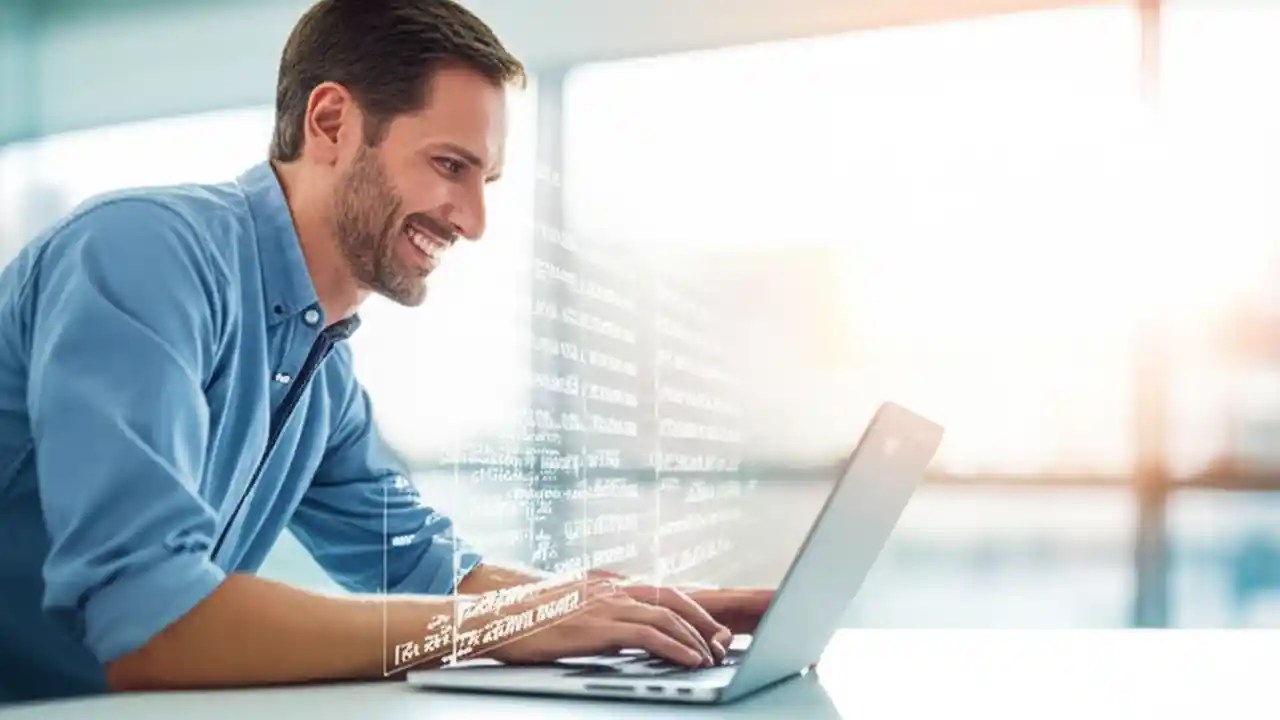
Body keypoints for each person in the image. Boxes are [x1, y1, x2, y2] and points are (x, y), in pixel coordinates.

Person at [0, 0, 772, 704]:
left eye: (486, 179)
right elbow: (146, 620)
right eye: (449, 166)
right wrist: (504, 624)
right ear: (332, 123)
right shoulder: (144, 254)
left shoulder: (320, 368)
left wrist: (618, 608)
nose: (473, 221)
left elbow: (428, 569)